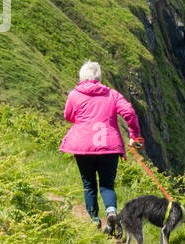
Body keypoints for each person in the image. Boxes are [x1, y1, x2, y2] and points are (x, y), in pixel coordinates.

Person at [59, 61, 144, 234]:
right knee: (107, 185)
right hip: (109, 146)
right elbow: (129, 113)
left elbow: (68, 116)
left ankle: (94, 220)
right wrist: (134, 136)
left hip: (83, 147)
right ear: (99, 78)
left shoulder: (74, 95)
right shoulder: (112, 95)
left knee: (88, 184)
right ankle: (111, 212)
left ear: (82, 77)